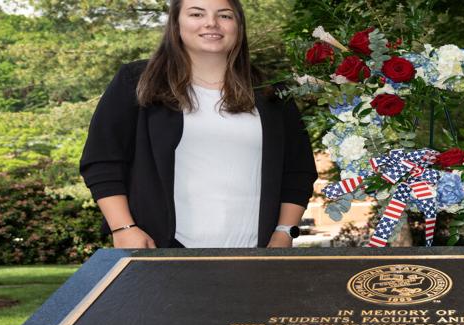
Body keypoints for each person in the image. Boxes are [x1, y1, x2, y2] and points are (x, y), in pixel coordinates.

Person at [80, 0, 316, 249]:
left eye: (225, 15)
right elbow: (102, 161)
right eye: (196, 13)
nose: (211, 23)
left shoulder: (272, 92)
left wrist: (285, 232)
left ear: (239, 25)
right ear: (176, 23)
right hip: (161, 253)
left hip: (256, 258)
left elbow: (298, 171)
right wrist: (123, 228)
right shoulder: (138, 81)